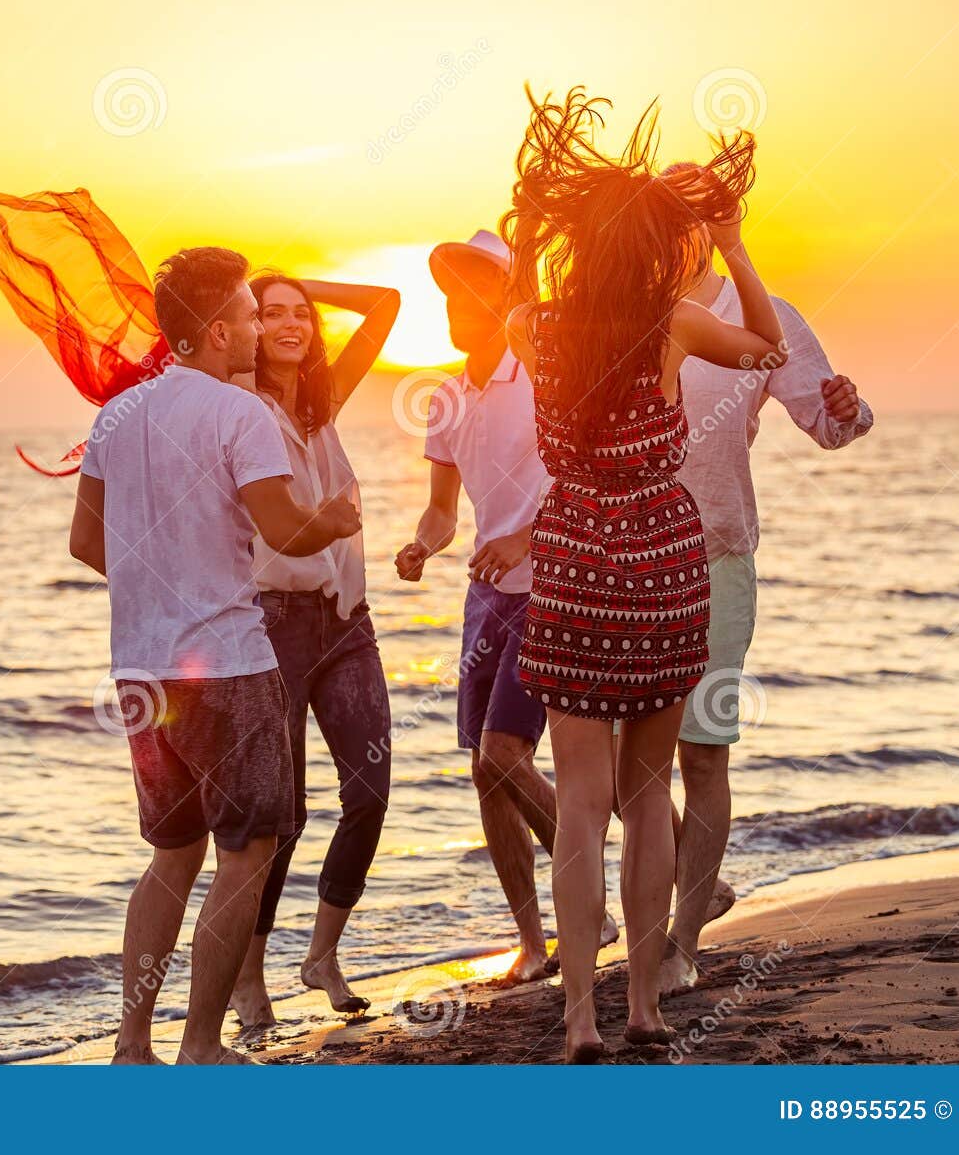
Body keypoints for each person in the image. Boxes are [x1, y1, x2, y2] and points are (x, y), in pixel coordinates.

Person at [500, 87, 786, 1062]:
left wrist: (536, 233)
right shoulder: (673, 322)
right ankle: (646, 1006)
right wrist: (735, 248)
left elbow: (515, 291)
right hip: (664, 558)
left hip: (576, 554)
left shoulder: (535, 328)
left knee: (579, 798)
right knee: (646, 785)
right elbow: (768, 346)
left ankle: (581, 1011)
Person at [67, 246, 360, 1064]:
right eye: (249, 314)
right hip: (227, 664)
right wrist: (335, 518)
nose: (261, 330)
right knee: (247, 852)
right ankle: (201, 1044)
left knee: (170, 855)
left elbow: (86, 540)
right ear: (222, 329)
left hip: (140, 670)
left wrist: (160, 580)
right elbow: (285, 530)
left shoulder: (118, 414)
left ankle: (132, 1046)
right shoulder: (242, 414)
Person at [655, 179, 874, 995]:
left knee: (701, 754)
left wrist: (844, 404)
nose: (682, 230)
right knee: (614, 769)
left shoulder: (757, 309)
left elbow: (831, 420)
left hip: (717, 560)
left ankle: (678, 945)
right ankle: (693, 880)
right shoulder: (622, 305)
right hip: (629, 561)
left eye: (698, 217)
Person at [395, 230, 618, 983]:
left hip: (553, 587)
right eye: (449, 290)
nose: (455, 303)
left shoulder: (544, 377)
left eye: (470, 287)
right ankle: (533, 940)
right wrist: (422, 546)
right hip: (486, 595)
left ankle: (594, 900)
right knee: (485, 772)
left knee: (504, 754)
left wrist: (527, 535)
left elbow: (586, 477)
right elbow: (441, 512)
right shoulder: (448, 398)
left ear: (503, 295)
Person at [228, 275, 402, 1026]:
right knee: (281, 813)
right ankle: (247, 978)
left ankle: (322, 953)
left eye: (301, 312)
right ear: (249, 328)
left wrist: (299, 276)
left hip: (346, 618)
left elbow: (388, 302)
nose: (291, 322)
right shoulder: (239, 404)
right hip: (274, 623)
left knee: (370, 791)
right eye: (271, 313)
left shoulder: (322, 400)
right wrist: (251, 288)